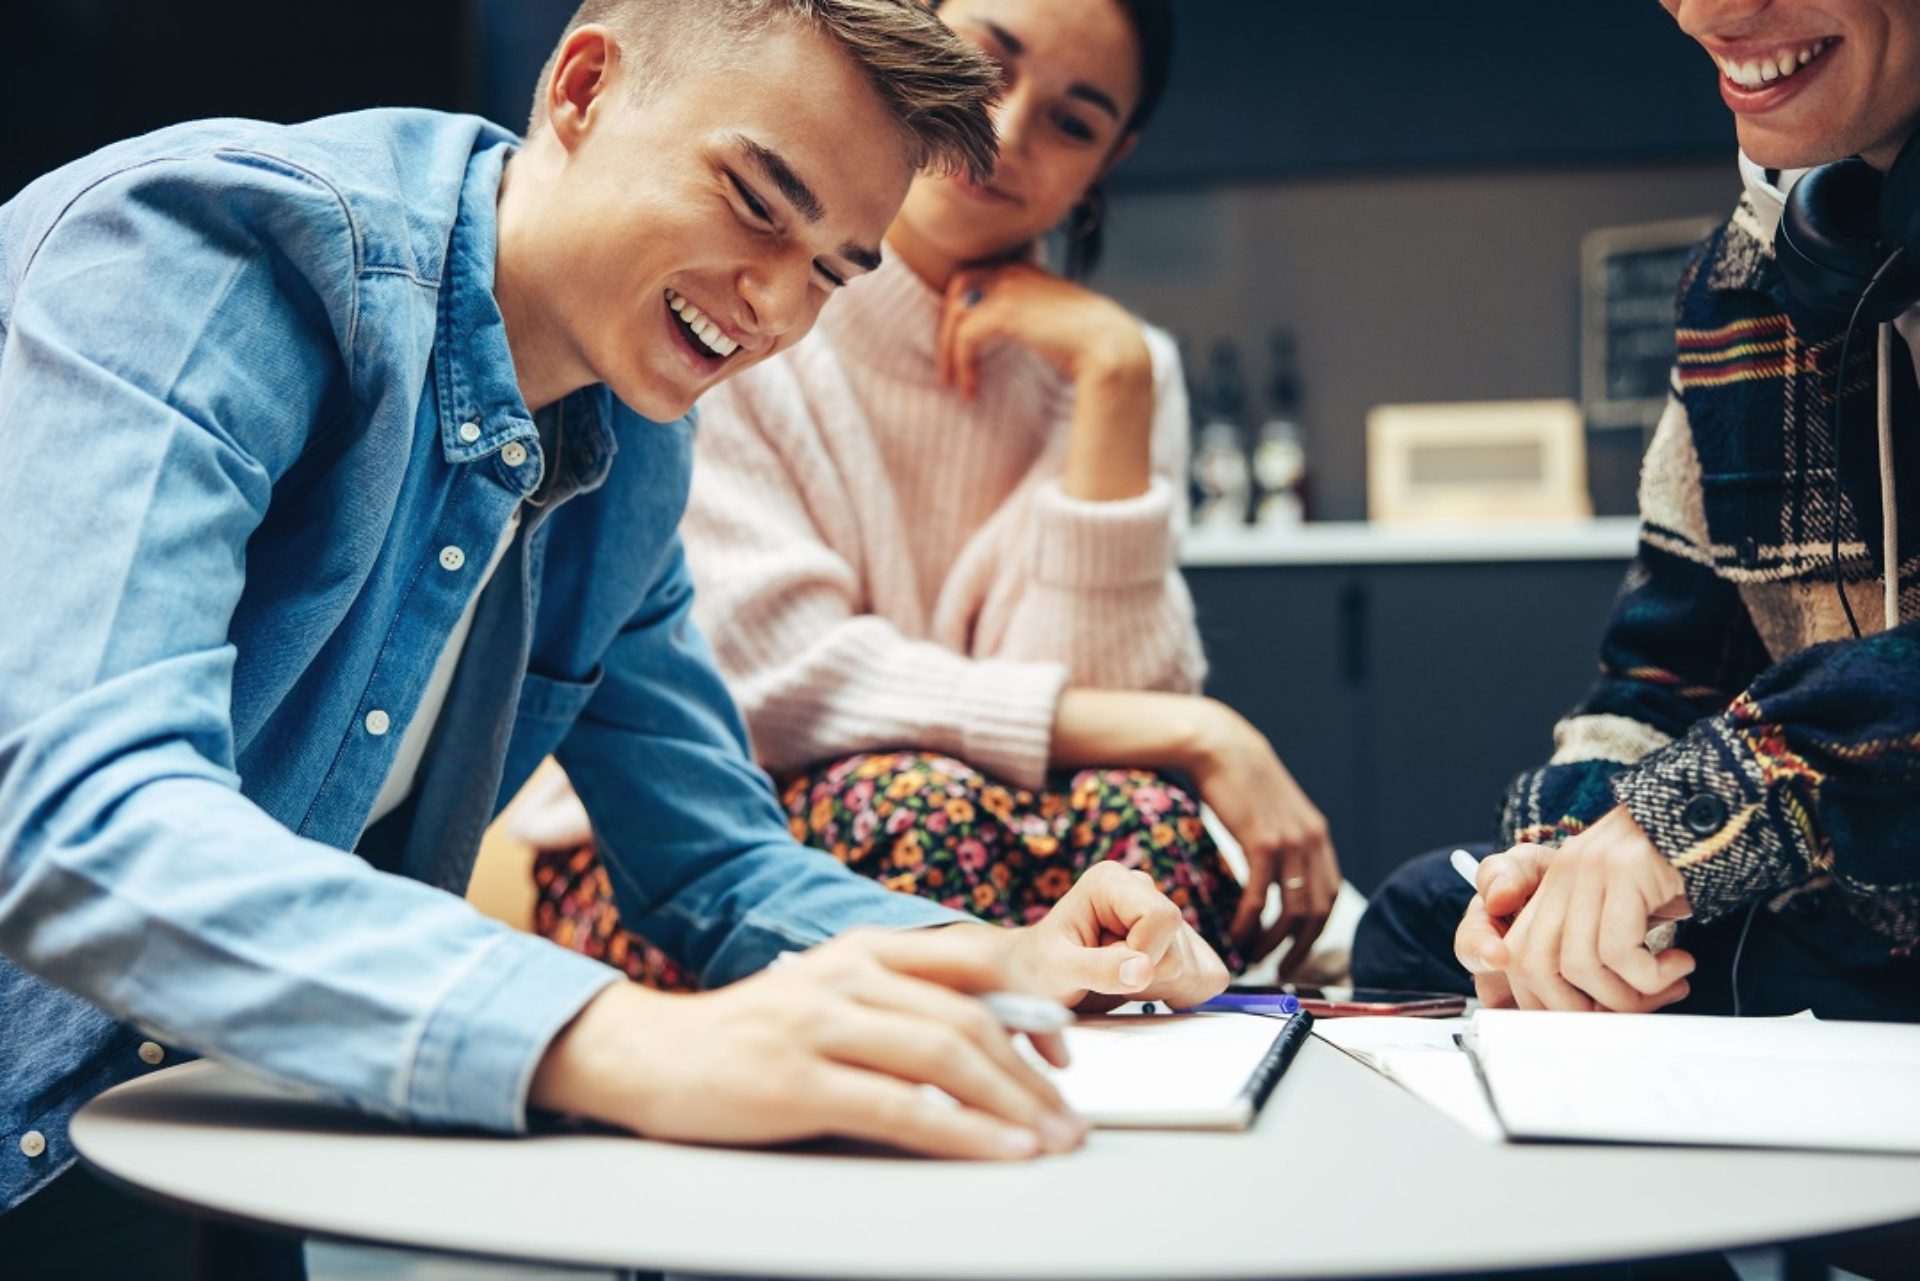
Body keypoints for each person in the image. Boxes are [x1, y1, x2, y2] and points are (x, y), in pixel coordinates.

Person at [0, 2, 1234, 1274]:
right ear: (584, 87)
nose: (771, 306)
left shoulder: (631, 449)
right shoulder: (206, 252)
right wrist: (634, 1040)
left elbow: (716, 870)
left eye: (829, 270)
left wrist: (996, 959)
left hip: (201, 1132)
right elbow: (76, 818)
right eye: (759, 203)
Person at [514, 0, 1343, 989]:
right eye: (987, 65)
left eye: (1073, 122)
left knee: (1148, 832)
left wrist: (1114, 380)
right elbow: (779, 685)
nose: (1005, 132)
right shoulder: (716, 312)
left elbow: (1104, 736)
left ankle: (1088, 1069)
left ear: (1107, 166)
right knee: (923, 808)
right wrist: (1199, 730)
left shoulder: (1114, 368)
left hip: (961, 825)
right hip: (699, 840)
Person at [1353, 0, 1920, 1023]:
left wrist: (1686, 822)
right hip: (1858, 920)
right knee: (1422, 920)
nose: (1712, 11)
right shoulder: (1745, 285)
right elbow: (1660, 682)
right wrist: (1562, 861)